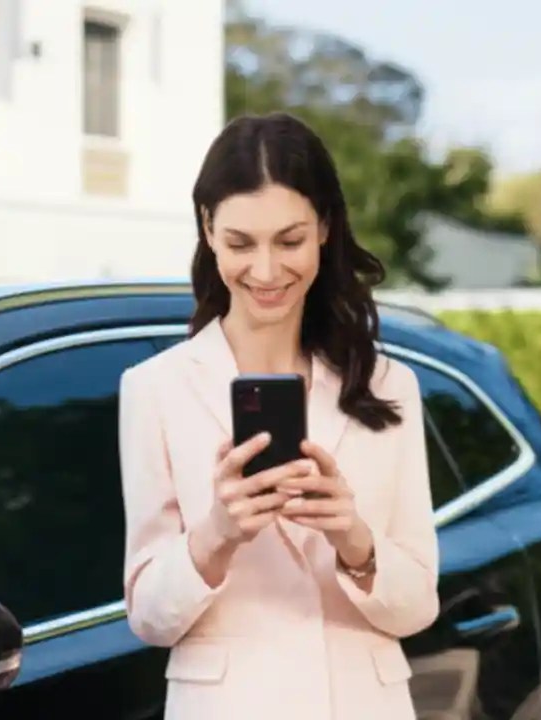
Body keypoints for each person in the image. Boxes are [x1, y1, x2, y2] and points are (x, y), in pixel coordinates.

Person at [117, 112, 440, 720]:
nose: (265, 272)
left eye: (289, 241)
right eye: (241, 243)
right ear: (208, 230)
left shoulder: (390, 387)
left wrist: (355, 541)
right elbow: (150, 618)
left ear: (324, 227)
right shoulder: (155, 390)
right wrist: (217, 533)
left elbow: (418, 607)